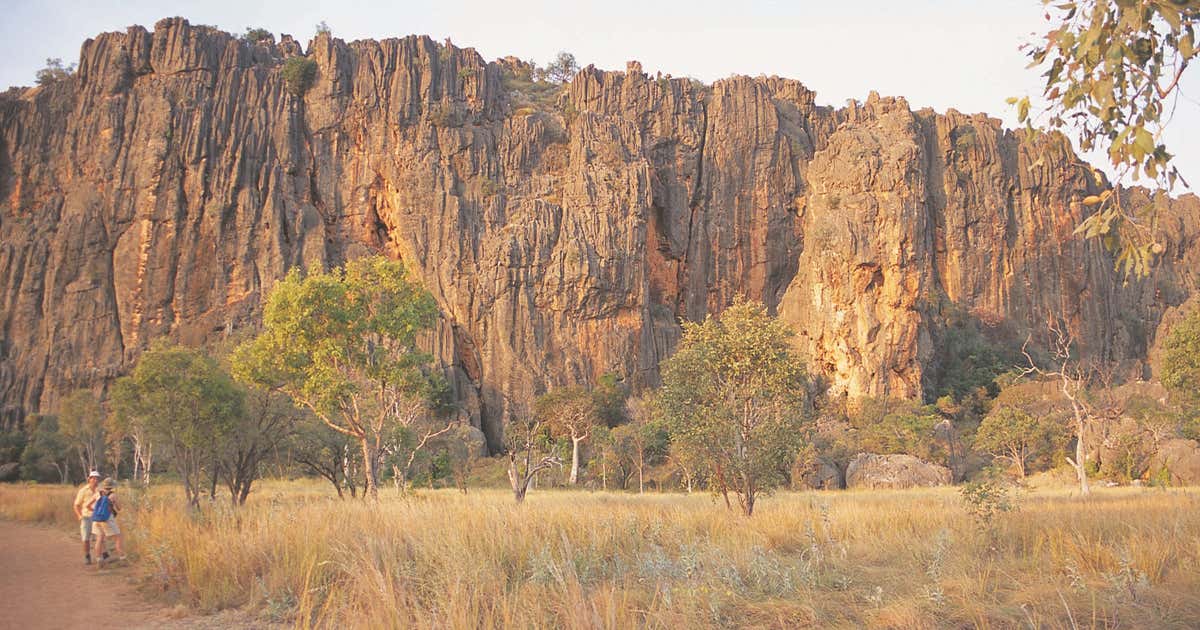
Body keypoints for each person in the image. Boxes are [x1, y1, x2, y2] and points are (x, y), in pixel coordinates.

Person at [87, 477, 126, 567]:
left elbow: (87, 505)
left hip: (96, 520)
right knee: (117, 538)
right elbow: (119, 508)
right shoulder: (113, 495)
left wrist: (96, 512)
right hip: (107, 519)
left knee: (99, 539)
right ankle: (122, 558)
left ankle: (99, 560)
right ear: (112, 486)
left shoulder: (97, 494)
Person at [72, 471, 101, 565]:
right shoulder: (83, 491)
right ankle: (87, 556)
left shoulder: (100, 490)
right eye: (93, 478)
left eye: (97, 478)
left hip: (98, 517)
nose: (95, 480)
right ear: (89, 479)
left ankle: (100, 556)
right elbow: (76, 505)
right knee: (86, 538)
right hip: (86, 516)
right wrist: (79, 516)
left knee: (100, 537)